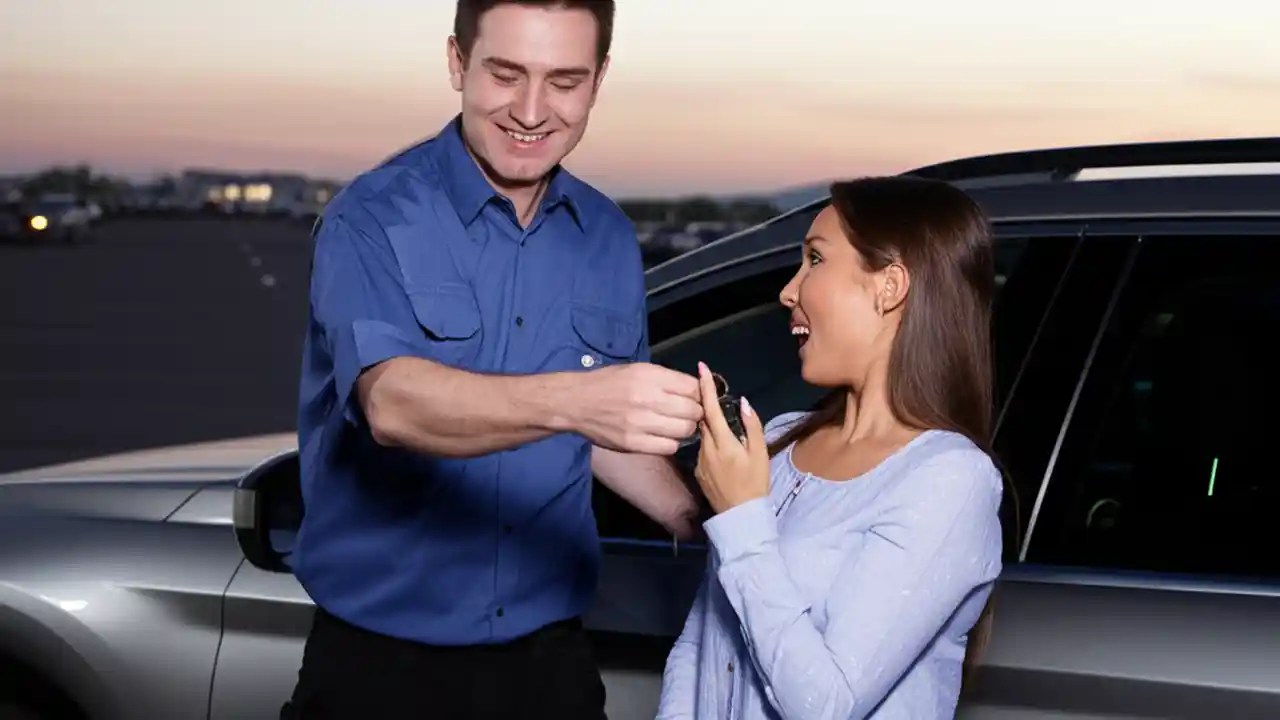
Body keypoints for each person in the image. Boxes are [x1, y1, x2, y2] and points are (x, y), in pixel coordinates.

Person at [281, 1, 705, 718]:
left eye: (565, 81)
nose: (533, 111)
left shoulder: (606, 237)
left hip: (550, 667)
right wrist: (578, 401)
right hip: (377, 673)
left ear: (599, 79)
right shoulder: (371, 217)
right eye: (507, 74)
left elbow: (605, 433)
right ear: (457, 63)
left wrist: (697, 520)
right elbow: (392, 404)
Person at [657, 176, 1008, 719]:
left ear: (889, 286)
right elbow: (702, 646)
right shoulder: (776, 437)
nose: (789, 291)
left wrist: (743, 519)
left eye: (815, 261)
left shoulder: (949, 480)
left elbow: (826, 705)